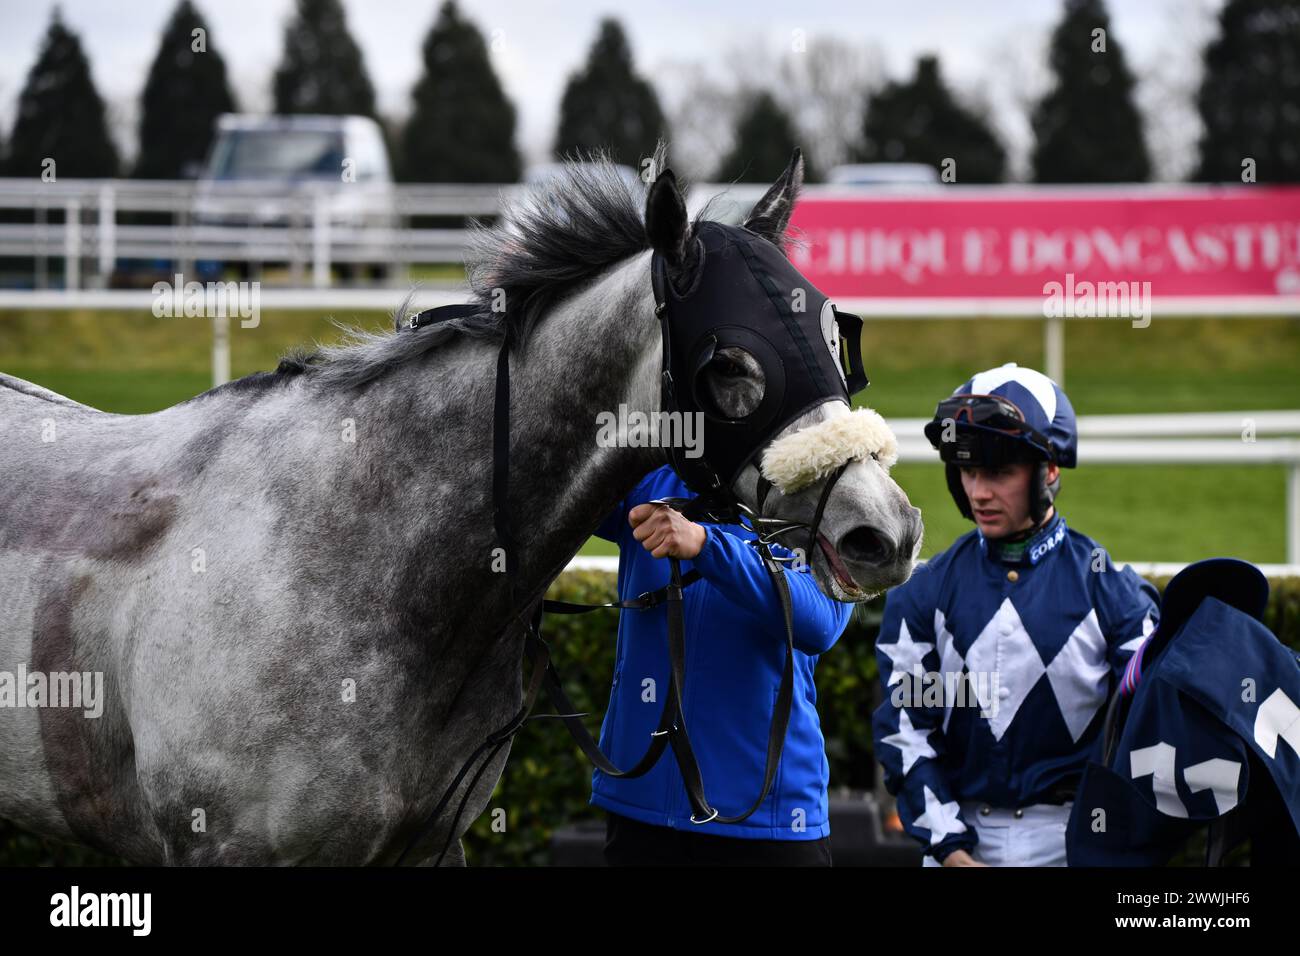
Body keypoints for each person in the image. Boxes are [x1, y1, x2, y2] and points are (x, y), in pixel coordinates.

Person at [871, 363, 1160, 866]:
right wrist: (952, 852)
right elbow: (904, 731)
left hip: (1075, 842)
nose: (979, 492)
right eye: (968, 470)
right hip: (956, 842)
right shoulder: (923, 591)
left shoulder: (1114, 593)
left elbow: (1152, 730)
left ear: (1049, 470)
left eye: (999, 472)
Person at [591, 463, 853, 866]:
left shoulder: (809, 491)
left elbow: (819, 621)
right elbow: (543, 490)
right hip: (639, 810)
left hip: (770, 823)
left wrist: (706, 545)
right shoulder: (651, 473)